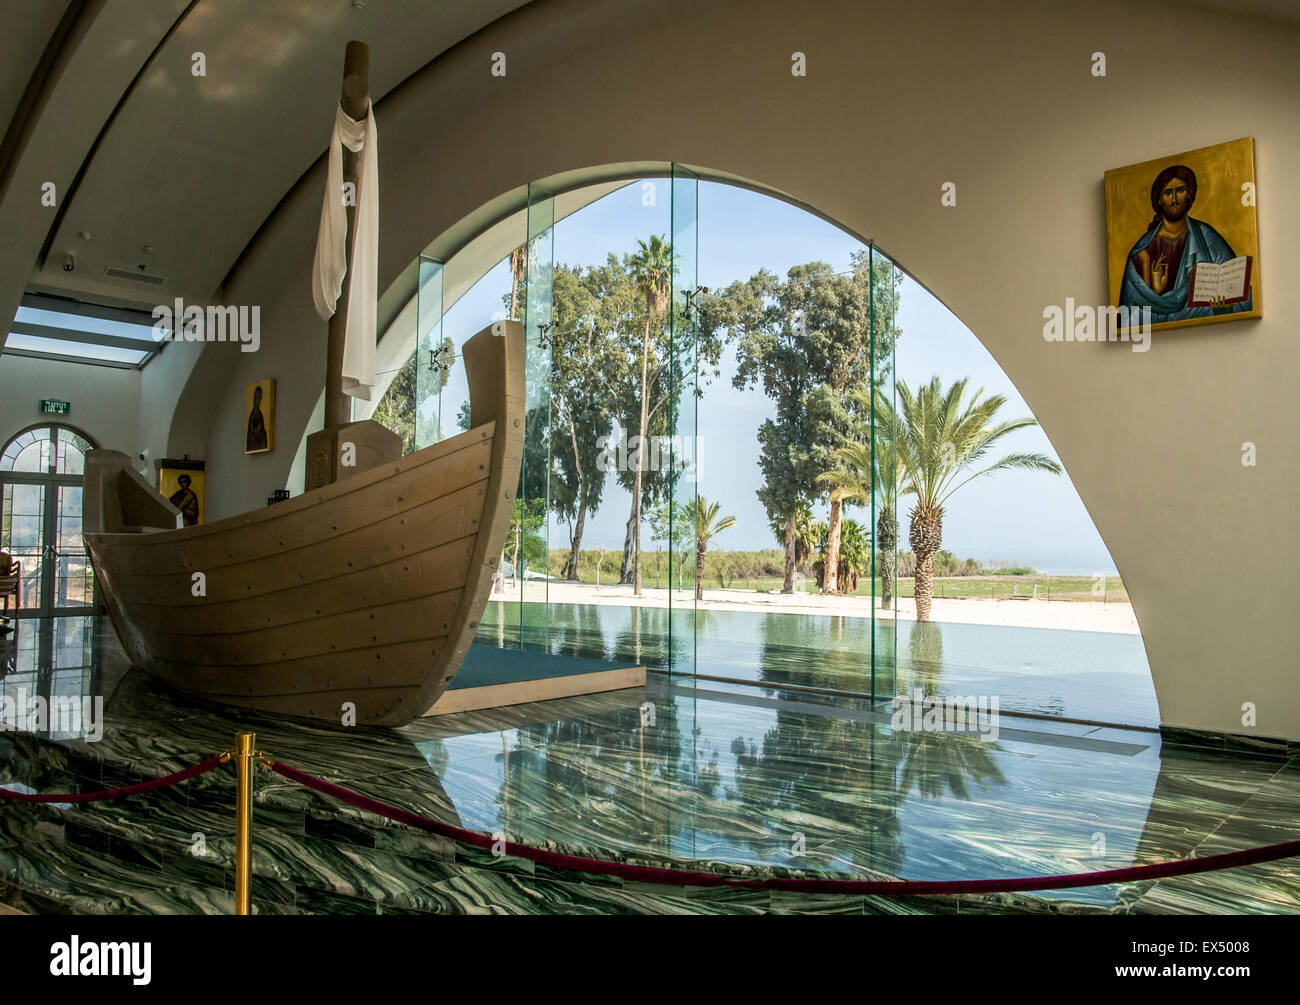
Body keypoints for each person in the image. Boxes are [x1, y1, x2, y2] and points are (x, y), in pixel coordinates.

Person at [1119, 164, 1252, 324]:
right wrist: (1156, 293)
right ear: (1159, 200)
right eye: (1168, 193)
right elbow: (1128, 315)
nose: (1174, 199)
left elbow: (1235, 289)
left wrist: (1223, 308)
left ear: (1189, 195)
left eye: (1180, 191)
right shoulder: (1142, 251)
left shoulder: (1206, 236)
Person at [246, 385, 269, 452]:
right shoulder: (252, 414)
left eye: (260, 397)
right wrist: (255, 431)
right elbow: (250, 432)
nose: (258, 400)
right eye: (257, 397)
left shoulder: (260, 414)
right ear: (254, 398)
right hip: (253, 442)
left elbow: (262, 430)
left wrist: (260, 430)